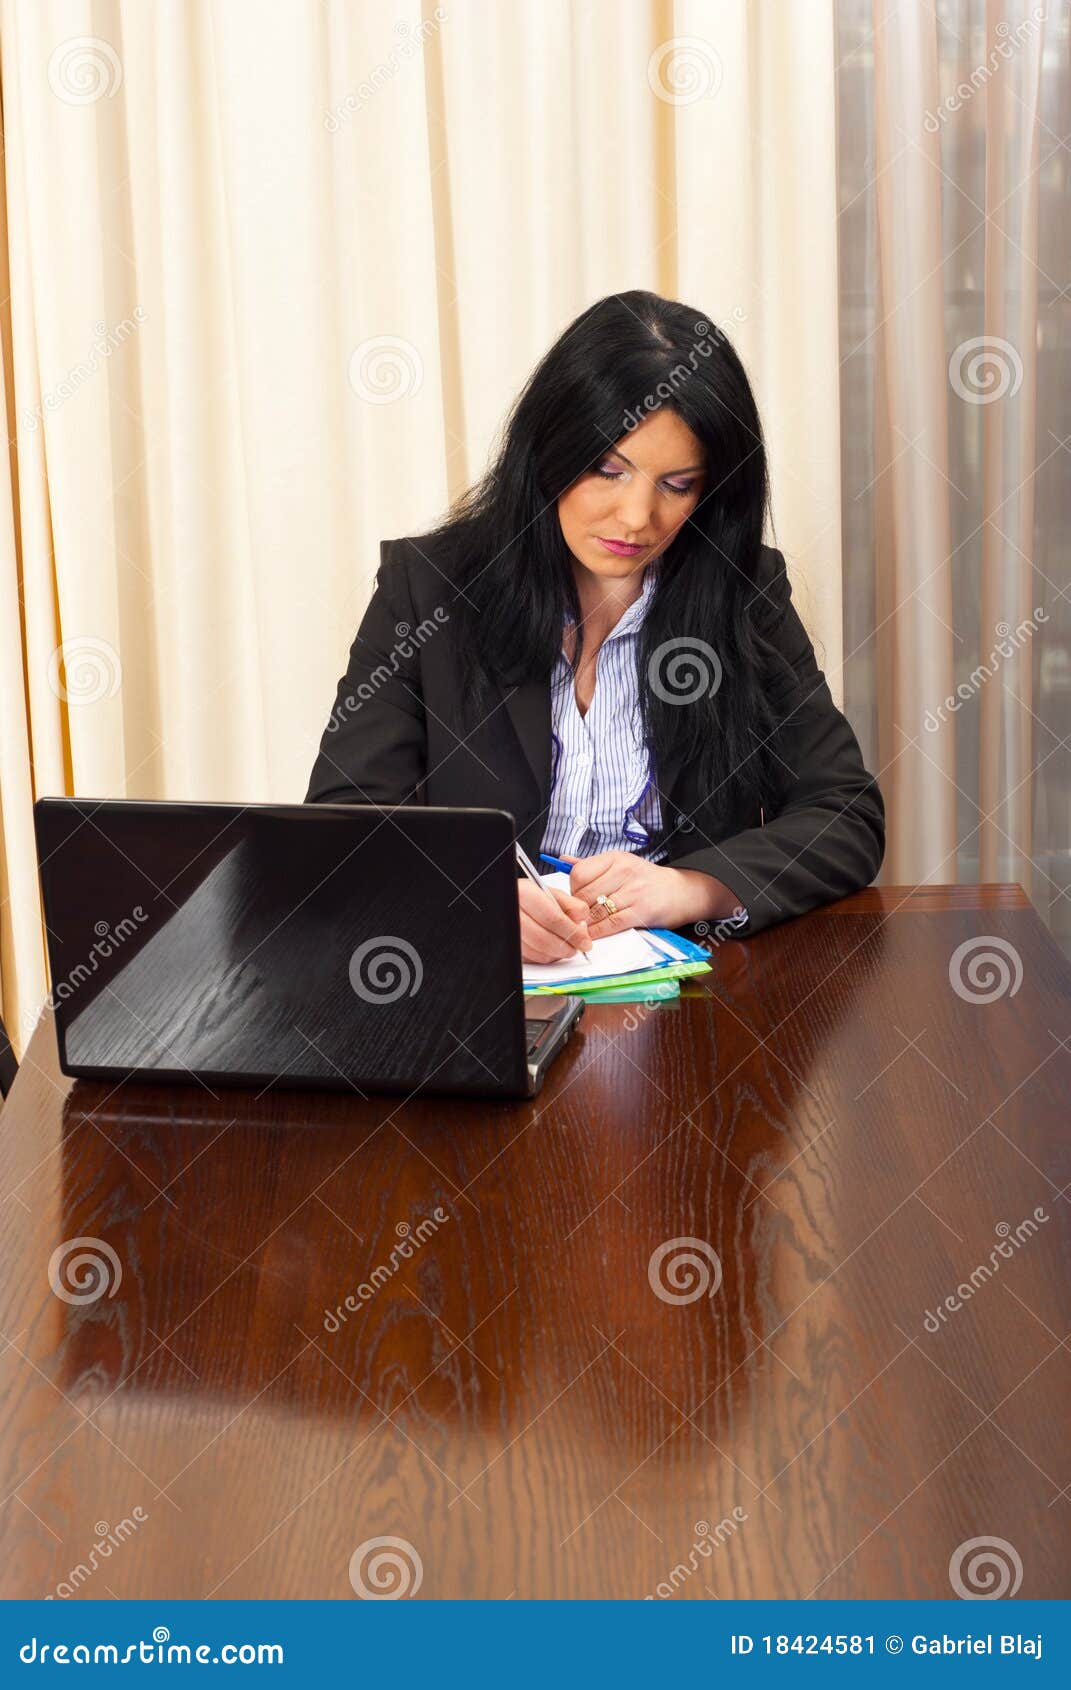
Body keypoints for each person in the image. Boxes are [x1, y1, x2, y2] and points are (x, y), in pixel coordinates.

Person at [306, 289, 885, 963]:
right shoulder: (429, 588)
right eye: (607, 470)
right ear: (546, 452)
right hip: (481, 982)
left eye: (677, 484)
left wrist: (692, 888)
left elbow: (844, 814)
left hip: (683, 997)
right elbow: (345, 823)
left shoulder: (743, 593)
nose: (637, 517)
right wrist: (468, 896)